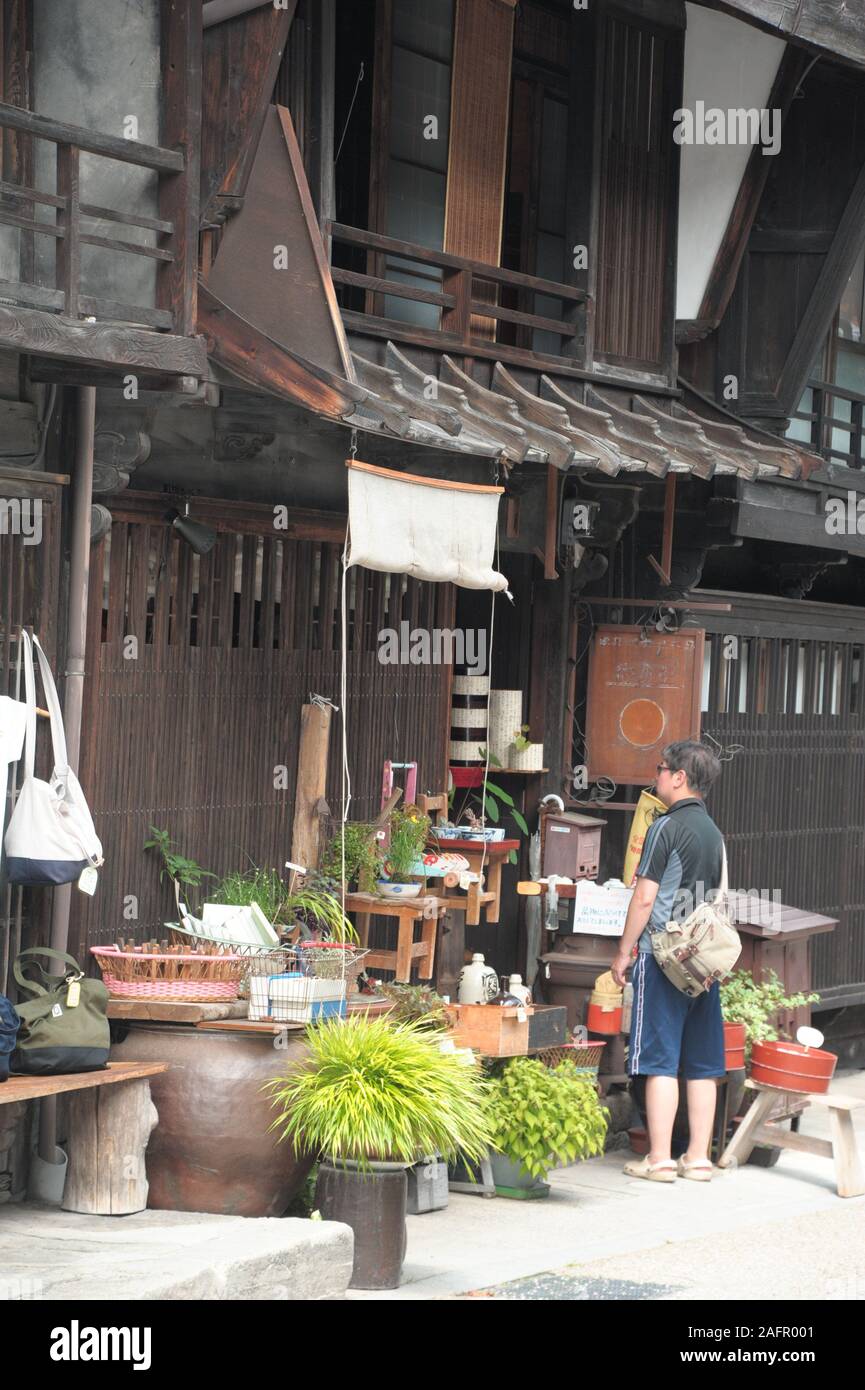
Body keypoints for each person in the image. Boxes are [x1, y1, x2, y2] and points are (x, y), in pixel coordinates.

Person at [611, 740, 725, 1183]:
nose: (655, 776)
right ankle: (697, 1158)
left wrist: (623, 952)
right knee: (702, 1061)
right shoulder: (714, 832)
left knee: (658, 1059)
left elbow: (645, 896)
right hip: (703, 959)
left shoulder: (666, 827)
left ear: (679, 777)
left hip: (664, 957)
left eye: (661, 769)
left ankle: (658, 1158)